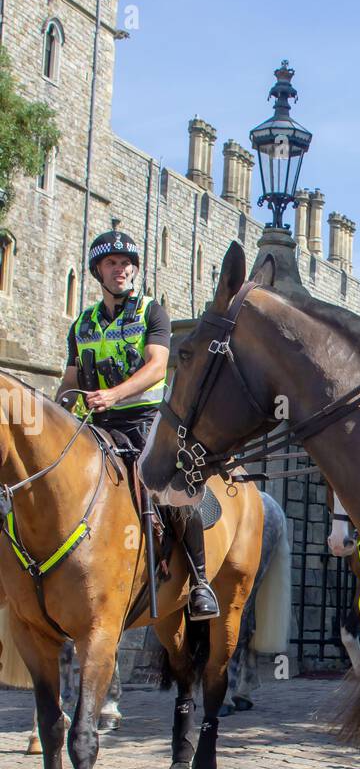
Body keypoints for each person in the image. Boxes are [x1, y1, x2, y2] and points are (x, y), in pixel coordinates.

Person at [55, 230, 220, 620]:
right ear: (98, 270)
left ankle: (200, 583)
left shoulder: (150, 312)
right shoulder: (82, 325)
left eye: (127, 263)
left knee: (174, 489)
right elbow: (70, 381)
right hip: (97, 424)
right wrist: (55, 413)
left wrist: (113, 394)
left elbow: (156, 367)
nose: (121, 270)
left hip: (146, 424)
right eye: (112, 263)